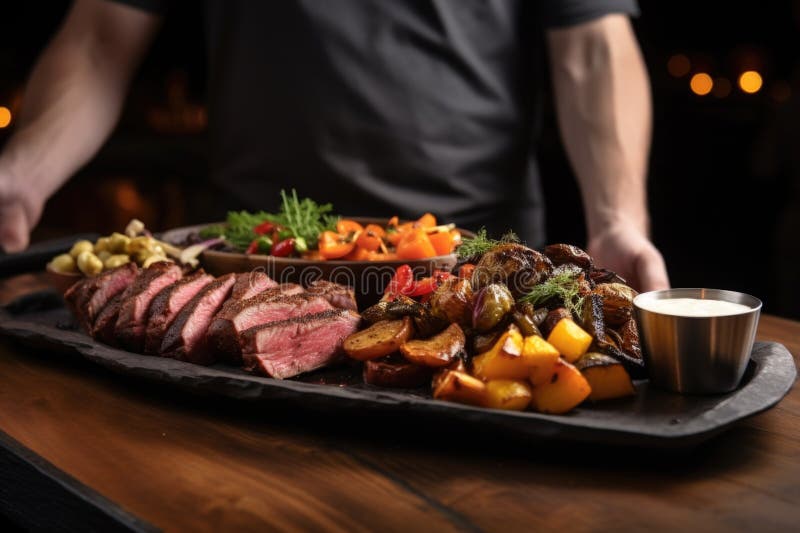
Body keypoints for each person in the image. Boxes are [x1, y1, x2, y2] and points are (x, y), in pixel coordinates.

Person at [0, 0, 669, 292]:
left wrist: (616, 221)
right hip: (247, 262)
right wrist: (20, 174)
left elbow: (593, 45)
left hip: (473, 265)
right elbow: (99, 36)